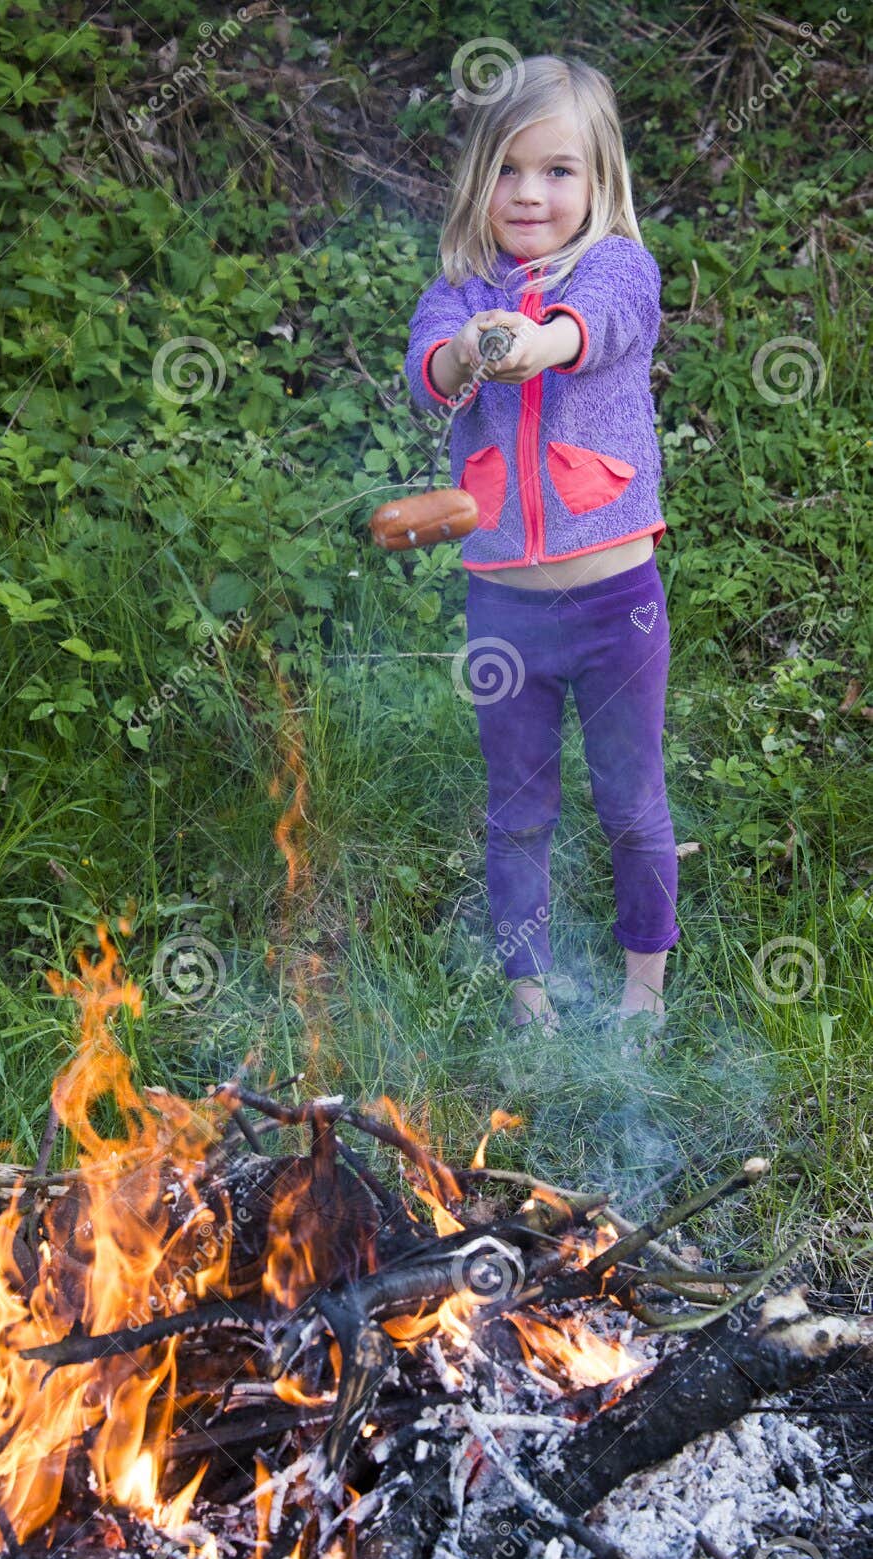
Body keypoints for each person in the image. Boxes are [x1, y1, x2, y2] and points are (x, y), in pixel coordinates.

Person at [403, 54, 679, 1045]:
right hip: (504, 609)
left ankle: (644, 984)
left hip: (617, 605)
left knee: (631, 798)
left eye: (558, 171)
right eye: (510, 170)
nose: (531, 192)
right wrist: (471, 347)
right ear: (481, 177)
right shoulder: (459, 291)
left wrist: (538, 343)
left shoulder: (619, 269)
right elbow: (430, 374)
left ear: (599, 182)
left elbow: (594, 329)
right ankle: (530, 992)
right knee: (517, 805)